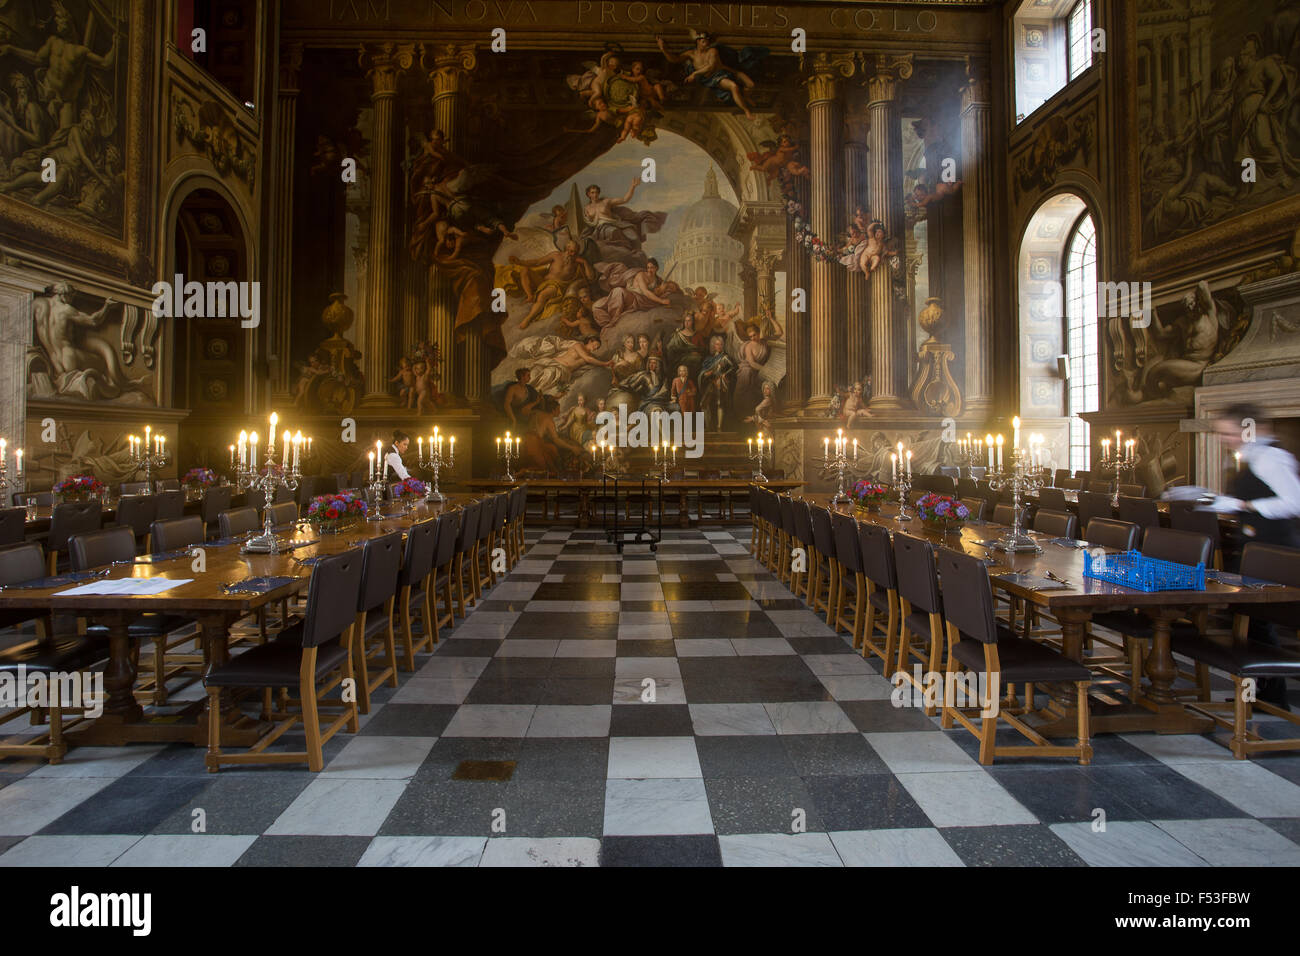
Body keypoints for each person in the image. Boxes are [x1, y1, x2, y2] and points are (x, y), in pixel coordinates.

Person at [1205, 402, 1300, 709]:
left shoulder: (1272, 458)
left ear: (1250, 428)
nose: (1226, 439)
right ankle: (1263, 693)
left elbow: (1295, 502)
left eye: (1230, 433)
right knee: (1249, 618)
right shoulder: (1253, 456)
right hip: (1256, 549)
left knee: (1259, 618)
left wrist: (1248, 507)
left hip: (1275, 551)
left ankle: (1272, 695)